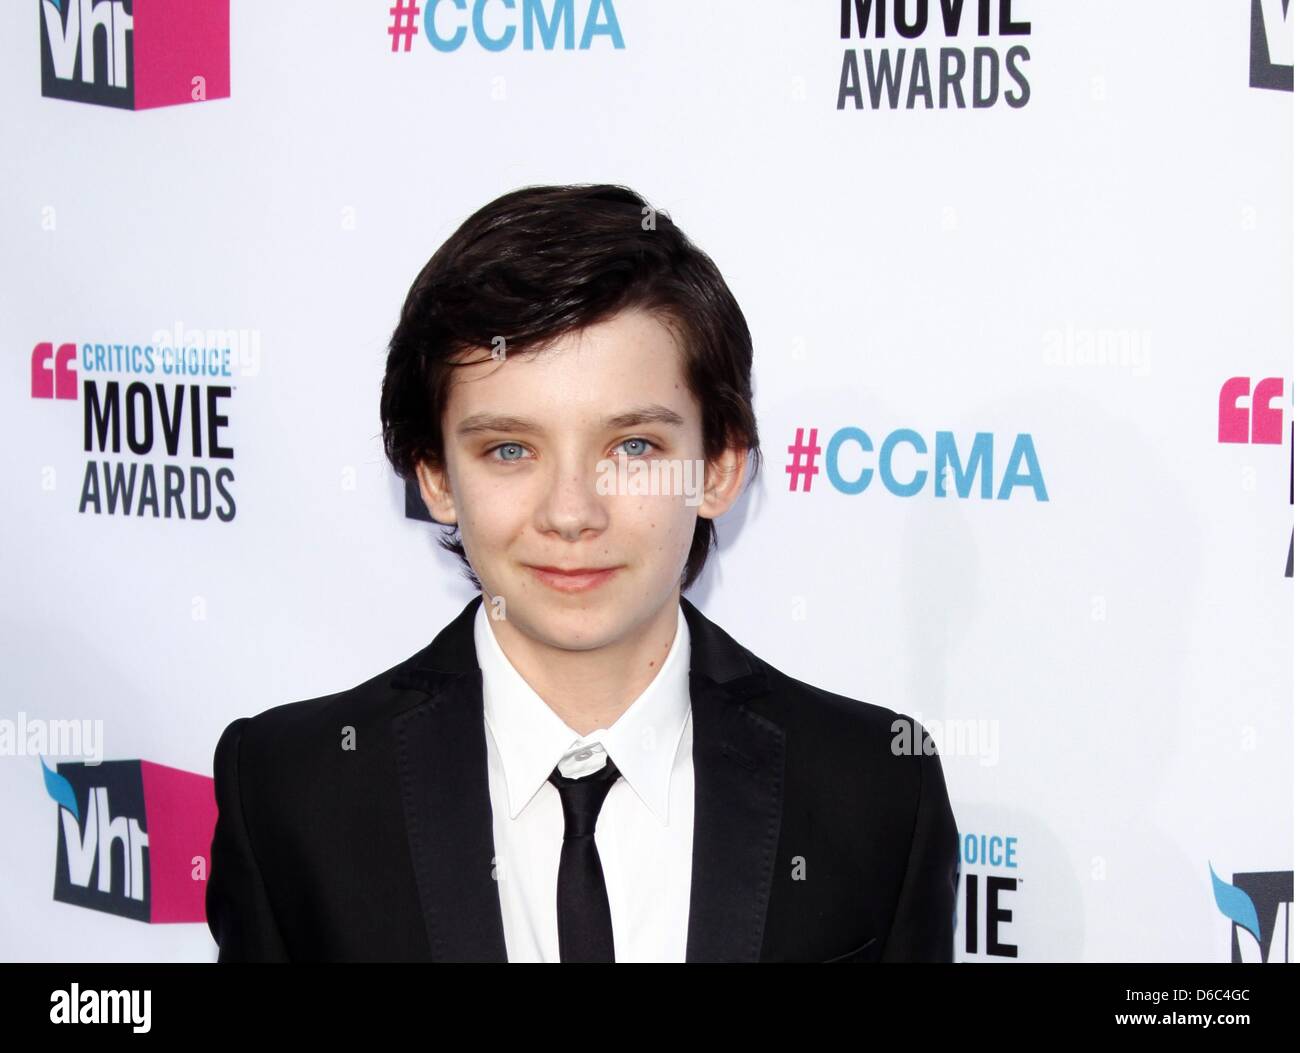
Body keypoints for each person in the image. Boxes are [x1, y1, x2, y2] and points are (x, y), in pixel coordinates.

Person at [205, 183, 959, 962]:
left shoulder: (872, 790)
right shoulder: (294, 793)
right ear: (433, 475)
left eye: (633, 447)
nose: (571, 513)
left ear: (721, 467)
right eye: (509, 449)